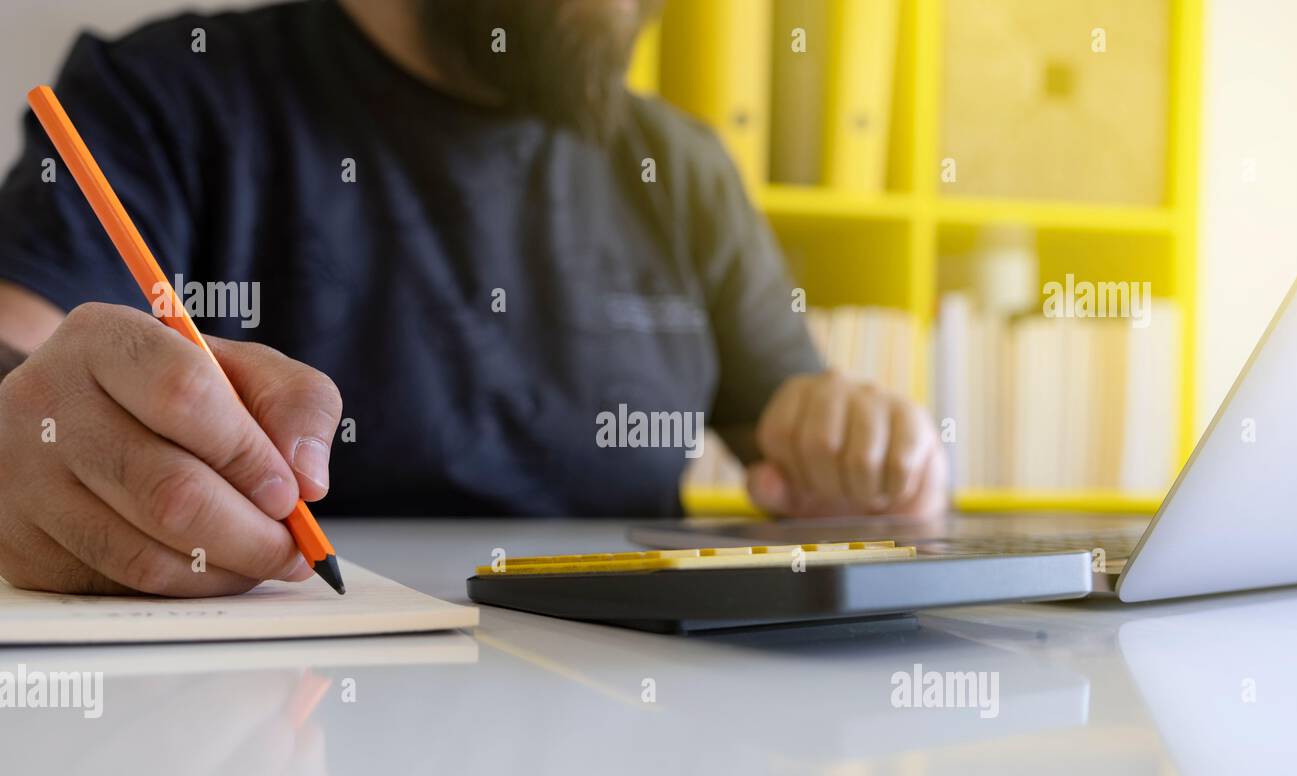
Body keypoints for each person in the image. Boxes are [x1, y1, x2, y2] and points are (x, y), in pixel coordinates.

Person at [0, 0, 945, 596]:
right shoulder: (164, 98)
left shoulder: (681, 167)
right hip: (263, 737)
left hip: (636, 762)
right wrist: (31, 437)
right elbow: (19, 374)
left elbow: (807, 440)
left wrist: (873, 465)